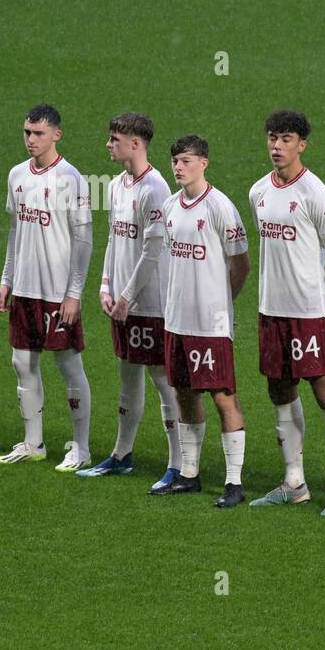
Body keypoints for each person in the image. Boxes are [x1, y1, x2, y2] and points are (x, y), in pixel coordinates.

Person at [247, 110, 325, 511]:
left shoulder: (317, 195)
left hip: (309, 313)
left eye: (286, 139)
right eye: (272, 138)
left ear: (302, 145)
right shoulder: (258, 192)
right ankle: (294, 481)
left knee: (324, 388)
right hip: (271, 310)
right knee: (279, 389)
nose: (277, 146)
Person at [79, 112, 184, 492]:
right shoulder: (117, 184)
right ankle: (122, 455)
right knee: (127, 374)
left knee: (162, 380)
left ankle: (179, 464)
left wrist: (127, 295)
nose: (108, 145)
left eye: (114, 139)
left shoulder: (154, 188)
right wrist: (106, 285)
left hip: (151, 303)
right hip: (121, 301)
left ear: (135, 143)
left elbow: (153, 250)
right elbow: (114, 238)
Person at [150, 135, 251, 508]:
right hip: (176, 322)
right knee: (184, 394)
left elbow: (241, 263)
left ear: (204, 163)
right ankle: (189, 474)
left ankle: (234, 483)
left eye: (187, 160)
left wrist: (222, 302)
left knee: (223, 396)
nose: (179, 167)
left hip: (210, 325)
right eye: (175, 160)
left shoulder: (221, 206)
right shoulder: (170, 206)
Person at [0, 104, 94, 471]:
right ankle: (33, 443)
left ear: (56, 135)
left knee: (69, 366)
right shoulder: (17, 175)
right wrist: (7, 280)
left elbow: (84, 240)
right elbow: (16, 230)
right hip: (25, 289)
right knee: (22, 362)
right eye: (26, 132)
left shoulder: (72, 179)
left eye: (37, 133)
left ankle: (80, 448)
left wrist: (74, 293)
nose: (30, 140)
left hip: (57, 293)